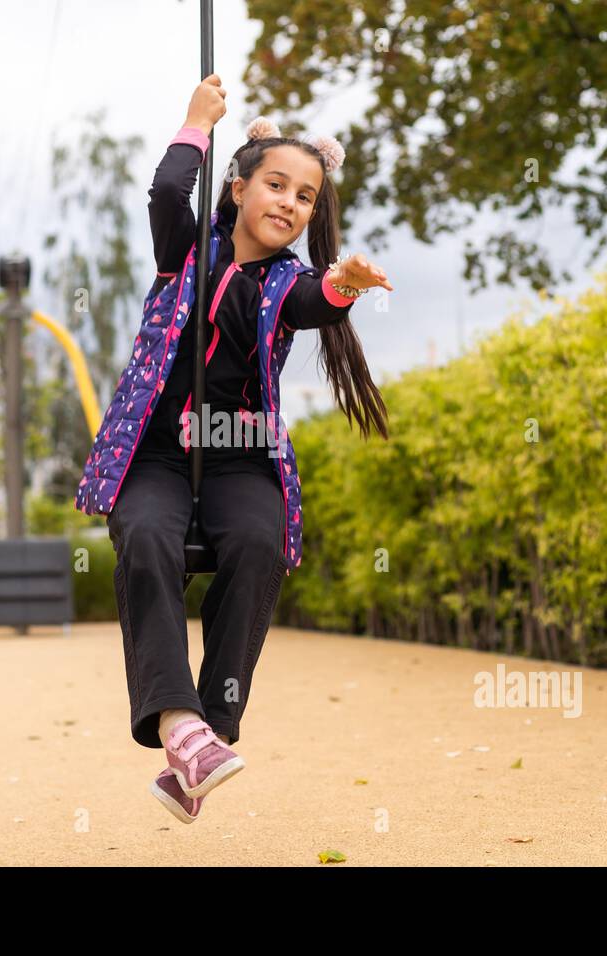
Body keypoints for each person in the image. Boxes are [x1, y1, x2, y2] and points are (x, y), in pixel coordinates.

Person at [74, 74, 393, 822]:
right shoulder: (186, 252)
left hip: (239, 454)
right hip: (154, 452)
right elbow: (165, 195)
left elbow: (316, 305)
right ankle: (178, 725)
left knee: (258, 541)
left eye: (305, 197)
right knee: (147, 537)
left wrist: (344, 286)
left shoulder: (289, 284)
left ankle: (209, 732)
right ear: (241, 188)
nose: (288, 203)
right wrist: (194, 123)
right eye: (275, 185)